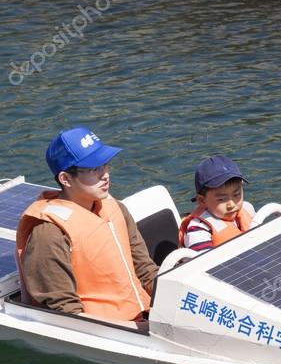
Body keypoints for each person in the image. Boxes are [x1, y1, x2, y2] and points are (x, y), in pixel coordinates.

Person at [15, 127, 158, 321]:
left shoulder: (116, 208)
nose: (105, 174)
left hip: (148, 316)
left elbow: (145, 270)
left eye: (105, 165)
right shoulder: (48, 234)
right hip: (107, 330)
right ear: (65, 179)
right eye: (93, 169)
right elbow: (65, 312)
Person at [178, 155, 256, 251]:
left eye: (236, 195)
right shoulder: (198, 230)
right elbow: (204, 263)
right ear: (202, 200)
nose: (231, 204)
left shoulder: (247, 209)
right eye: (222, 199)